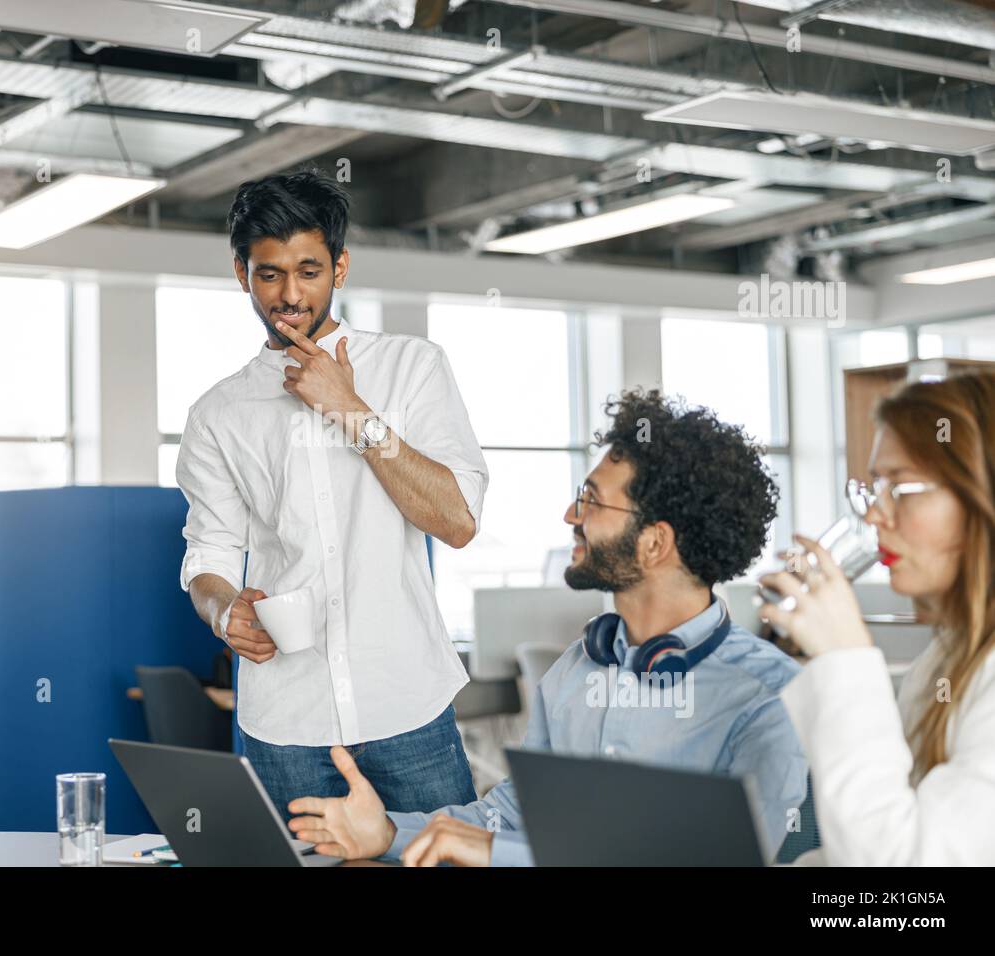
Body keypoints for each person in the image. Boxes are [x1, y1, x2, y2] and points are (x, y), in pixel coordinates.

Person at [288, 389, 808, 865]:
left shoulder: (771, 696)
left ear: (654, 543)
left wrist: (501, 855)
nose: (569, 515)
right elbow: (509, 817)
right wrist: (387, 832)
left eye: (590, 501)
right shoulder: (581, 666)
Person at [175, 169, 488, 820]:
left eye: (309, 270)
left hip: (407, 704)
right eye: (269, 274)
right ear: (242, 273)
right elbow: (207, 557)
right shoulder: (217, 413)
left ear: (340, 267)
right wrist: (221, 609)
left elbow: (456, 520)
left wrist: (350, 410)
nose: (289, 294)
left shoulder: (412, 366)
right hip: (285, 719)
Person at [761, 373, 995, 865]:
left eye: (902, 487)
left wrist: (846, 660)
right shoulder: (946, 661)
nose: (874, 516)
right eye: (875, 487)